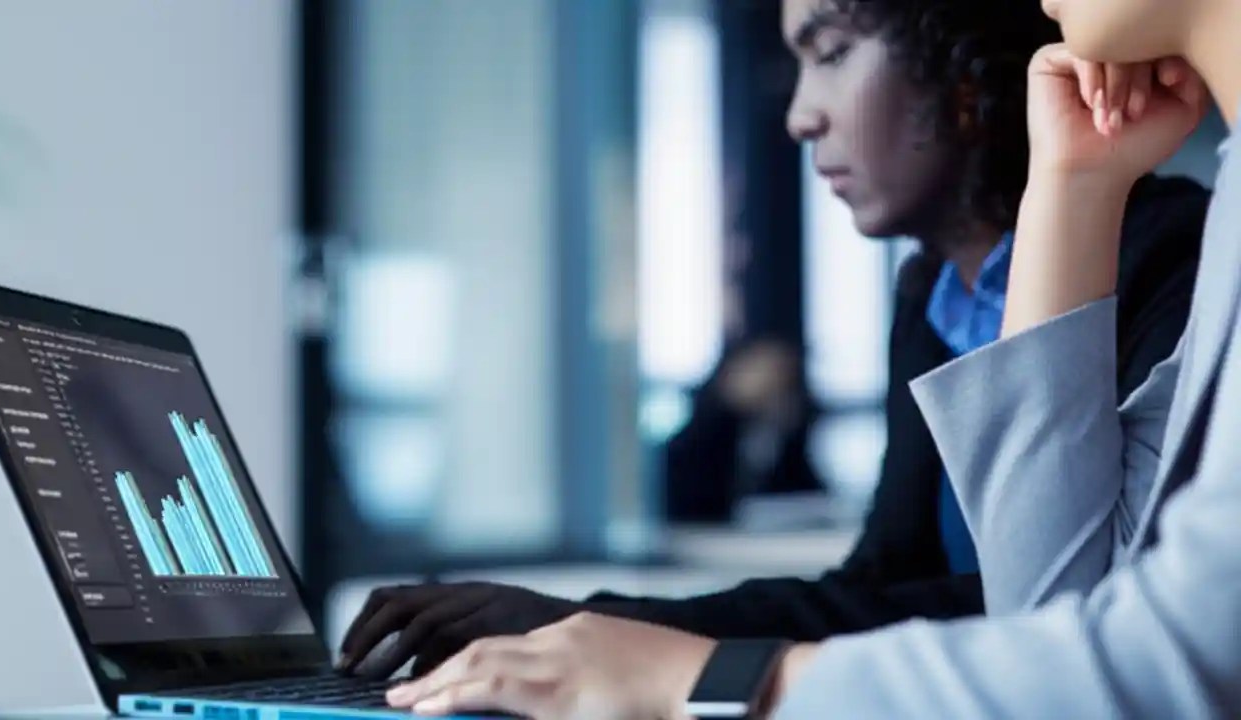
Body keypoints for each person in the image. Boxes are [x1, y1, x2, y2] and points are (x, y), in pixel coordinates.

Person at [379, 0, 1241, 715]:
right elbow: (1009, 604)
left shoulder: (1180, 255)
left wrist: (667, 658)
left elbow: (1101, 638)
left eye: (831, 53)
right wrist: (595, 631)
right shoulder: (931, 295)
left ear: (968, 74)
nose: (798, 114)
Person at [663, 336, 826, 524]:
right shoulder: (701, 435)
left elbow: (808, 495)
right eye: (765, 369)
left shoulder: (780, 435)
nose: (773, 381)